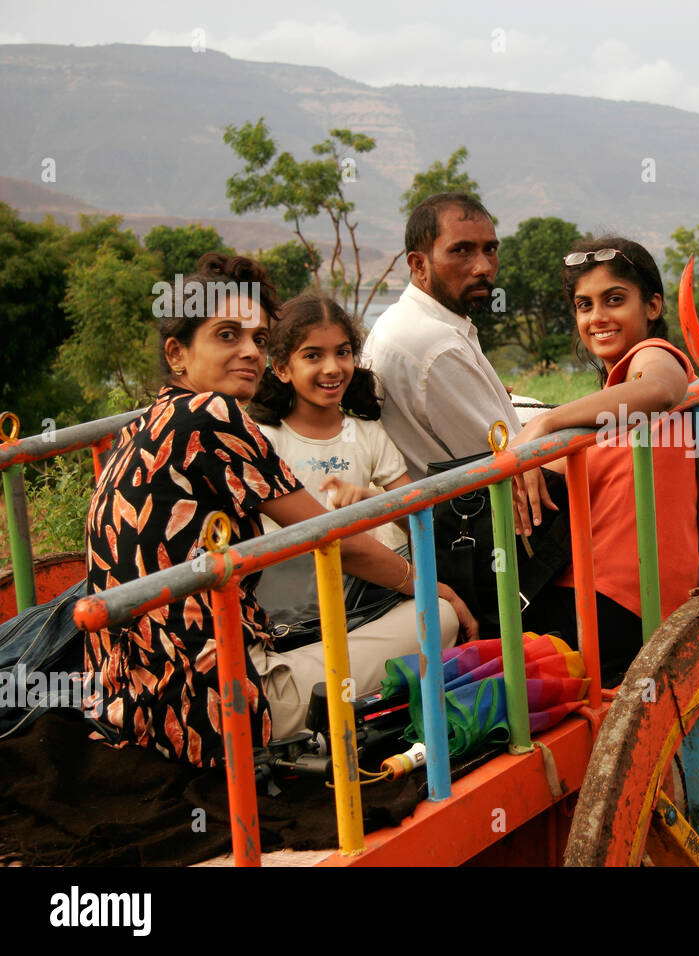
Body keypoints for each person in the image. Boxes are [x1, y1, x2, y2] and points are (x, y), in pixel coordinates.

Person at [84, 254, 422, 767]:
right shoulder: (212, 414)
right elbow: (335, 540)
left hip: (131, 708)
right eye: (227, 335)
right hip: (219, 713)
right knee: (434, 616)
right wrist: (431, 585)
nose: (250, 353)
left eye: (260, 340)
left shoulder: (142, 426)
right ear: (178, 352)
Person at [361, 193, 569, 629]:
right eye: (461, 251)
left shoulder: (423, 324)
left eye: (489, 249)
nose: (483, 267)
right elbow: (511, 460)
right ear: (418, 263)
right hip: (481, 541)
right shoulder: (433, 346)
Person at [509, 237, 699, 681]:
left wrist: (544, 424)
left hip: (622, 599)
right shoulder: (609, 403)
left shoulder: (649, 358)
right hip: (587, 589)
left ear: (652, 306)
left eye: (614, 300)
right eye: (584, 305)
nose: (597, 318)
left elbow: (662, 387)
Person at [246, 290, 477, 657]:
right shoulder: (263, 439)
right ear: (282, 368)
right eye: (312, 356)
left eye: (343, 352)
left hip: (356, 593)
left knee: (444, 614)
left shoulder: (367, 433)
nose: (333, 367)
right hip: (285, 602)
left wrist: (372, 501)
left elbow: (416, 520)